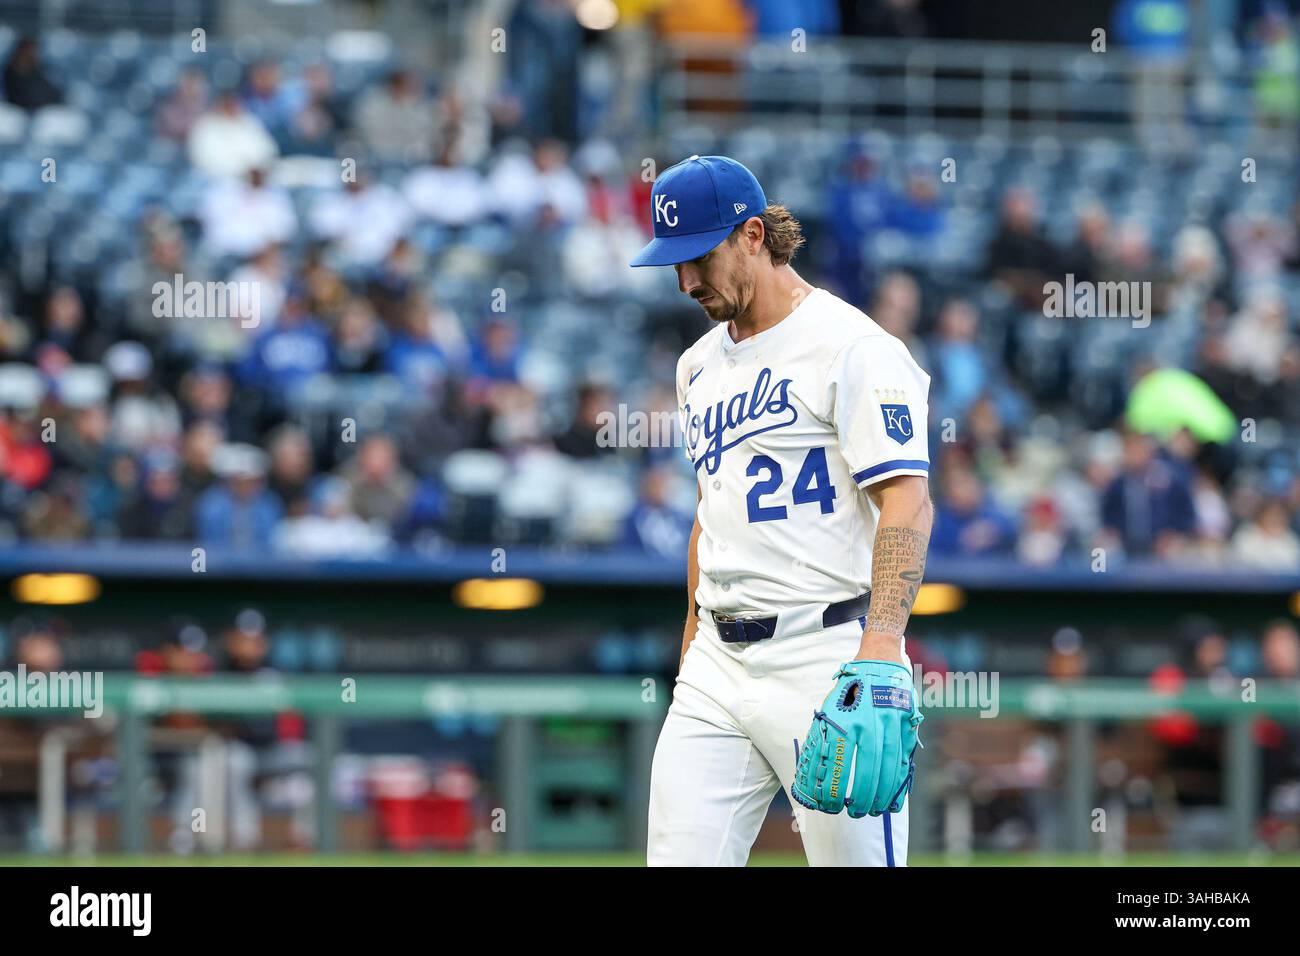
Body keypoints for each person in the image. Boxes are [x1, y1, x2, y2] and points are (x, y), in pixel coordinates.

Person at [630, 155, 932, 866]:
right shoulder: (696, 366)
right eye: (673, 264)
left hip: (825, 655)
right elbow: (713, 512)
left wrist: (883, 645)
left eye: (698, 257)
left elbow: (907, 500)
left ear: (754, 235)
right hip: (716, 667)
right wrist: (690, 647)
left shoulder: (853, 347)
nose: (685, 282)